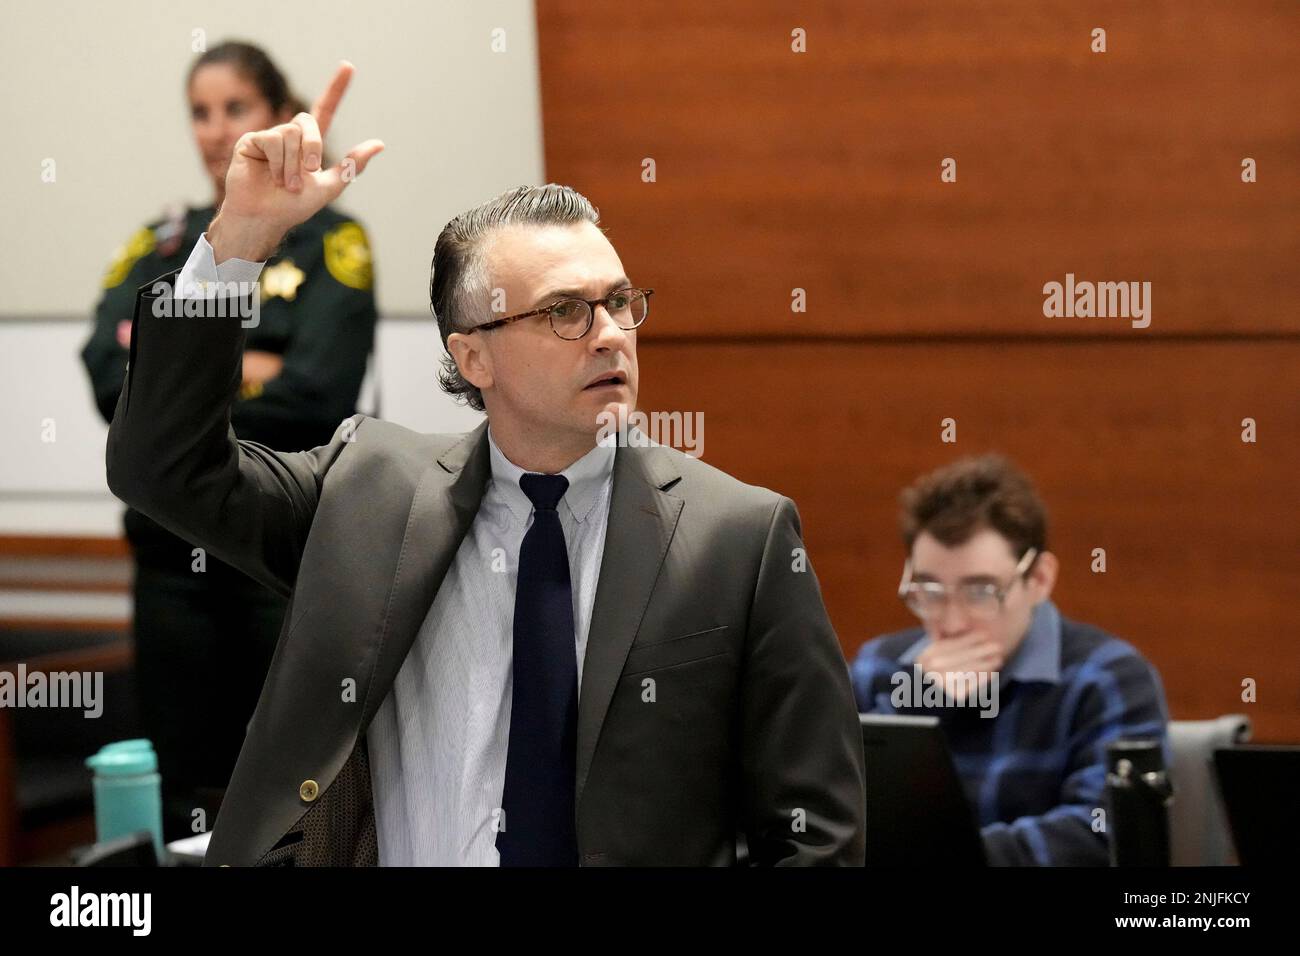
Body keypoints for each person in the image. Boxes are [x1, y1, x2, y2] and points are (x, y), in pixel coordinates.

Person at [102, 61, 865, 866]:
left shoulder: (738, 537)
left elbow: (815, 834)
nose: (610, 333)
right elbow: (163, 468)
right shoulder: (366, 493)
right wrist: (241, 241)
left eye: (620, 302)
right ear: (473, 358)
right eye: (566, 311)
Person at [80, 42, 378, 842]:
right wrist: (247, 367)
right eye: (200, 112)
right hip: (165, 561)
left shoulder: (331, 239)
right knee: (183, 788)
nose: (215, 131)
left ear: (278, 115)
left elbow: (318, 391)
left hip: (272, 553)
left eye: (235, 109)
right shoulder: (162, 242)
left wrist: (181, 376)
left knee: (292, 789)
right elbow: (109, 374)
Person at [851, 454, 1170, 865]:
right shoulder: (878, 668)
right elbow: (831, 810)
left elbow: (1104, 834)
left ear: (1039, 579)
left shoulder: (1110, 677)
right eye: (929, 592)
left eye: (980, 591)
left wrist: (953, 856)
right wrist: (910, 705)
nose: (951, 623)